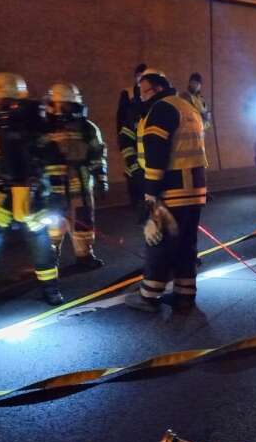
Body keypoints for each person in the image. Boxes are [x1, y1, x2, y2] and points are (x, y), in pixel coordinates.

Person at [0, 72, 64, 316]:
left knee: (39, 246)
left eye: (2, 98)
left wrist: (54, 193)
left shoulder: (39, 123)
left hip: (32, 195)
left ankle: (50, 288)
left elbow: (53, 157)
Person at [125, 70, 208, 313]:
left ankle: (149, 296)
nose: (141, 98)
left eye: (144, 92)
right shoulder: (186, 106)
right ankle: (185, 294)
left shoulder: (160, 110)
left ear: (158, 89)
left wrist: (150, 195)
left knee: (158, 241)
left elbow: (156, 153)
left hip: (173, 188)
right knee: (186, 243)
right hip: (194, 187)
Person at [43, 82, 109, 269]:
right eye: (58, 103)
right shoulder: (44, 128)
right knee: (53, 223)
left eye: (65, 104)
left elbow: (98, 154)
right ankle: (49, 257)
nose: (60, 108)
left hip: (80, 184)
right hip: (53, 185)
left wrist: (101, 180)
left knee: (83, 221)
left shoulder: (88, 128)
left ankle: (84, 256)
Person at [116, 63, 147, 209]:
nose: (141, 79)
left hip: (144, 136)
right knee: (132, 168)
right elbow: (121, 117)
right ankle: (136, 203)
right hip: (131, 134)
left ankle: (144, 204)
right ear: (135, 77)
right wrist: (121, 137)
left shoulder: (149, 93)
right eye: (139, 76)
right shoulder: (128, 93)